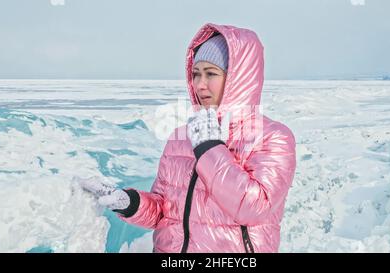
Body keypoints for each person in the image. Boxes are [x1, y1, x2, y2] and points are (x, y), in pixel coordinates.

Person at [75, 23, 296, 253]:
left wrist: (209, 148)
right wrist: (130, 203)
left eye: (211, 74)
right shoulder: (181, 138)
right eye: (195, 74)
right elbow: (163, 211)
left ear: (237, 78)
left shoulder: (273, 137)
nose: (200, 85)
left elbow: (254, 208)